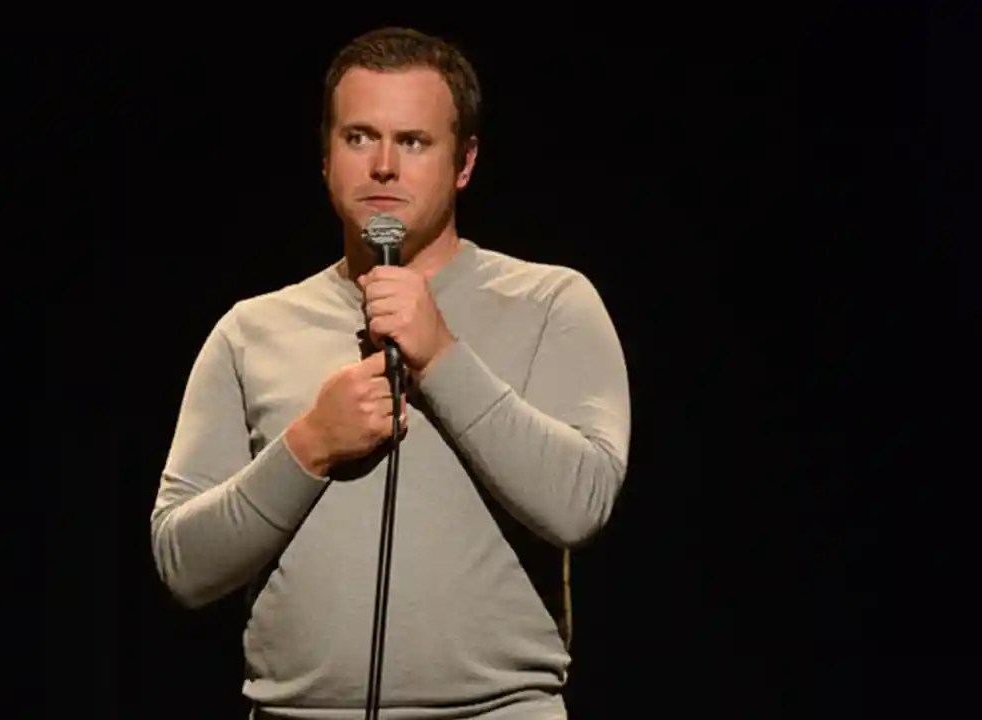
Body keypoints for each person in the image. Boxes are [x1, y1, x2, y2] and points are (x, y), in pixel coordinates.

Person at [151, 26, 632, 719]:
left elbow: (581, 503)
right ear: (324, 157)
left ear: (463, 162)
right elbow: (183, 565)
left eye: (413, 142)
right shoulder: (250, 332)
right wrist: (308, 446)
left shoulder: (550, 303)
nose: (382, 166)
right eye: (358, 137)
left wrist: (441, 356)